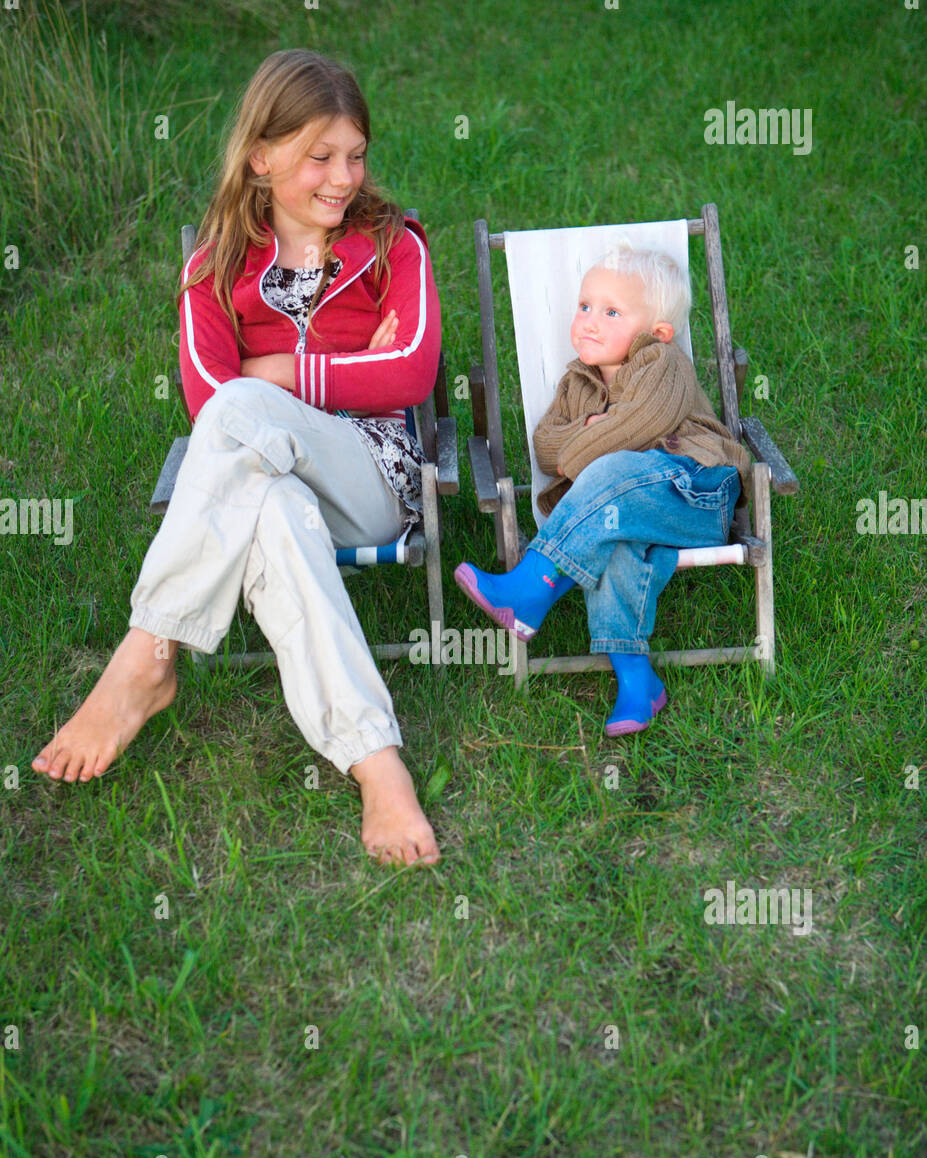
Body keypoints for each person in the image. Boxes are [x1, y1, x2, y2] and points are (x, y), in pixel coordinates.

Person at [32, 48, 441, 866]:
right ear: (260, 156)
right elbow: (204, 401)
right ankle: (376, 764)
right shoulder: (215, 268)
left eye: (354, 154)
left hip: (370, 476)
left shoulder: (392, 246)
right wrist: (341, 374)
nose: (342, 177)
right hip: (266, 482)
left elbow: (413, 371)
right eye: (318, 156)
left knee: (243, 409)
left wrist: (281, 371)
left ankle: (147, 655)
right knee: (273, 508)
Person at [454, 240, 752, 734]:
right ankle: (639, 683)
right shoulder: (577, 383)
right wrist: (588, 436)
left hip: (696, 494)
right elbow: (544, 447)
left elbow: (637, 425)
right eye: (585, 306)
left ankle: (533, 583)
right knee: (613, 540)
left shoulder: (662, 363)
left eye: (611, 311)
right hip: (630, 512)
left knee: (610, 470)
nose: (590, 320)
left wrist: (591, 436)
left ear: (657, 332)